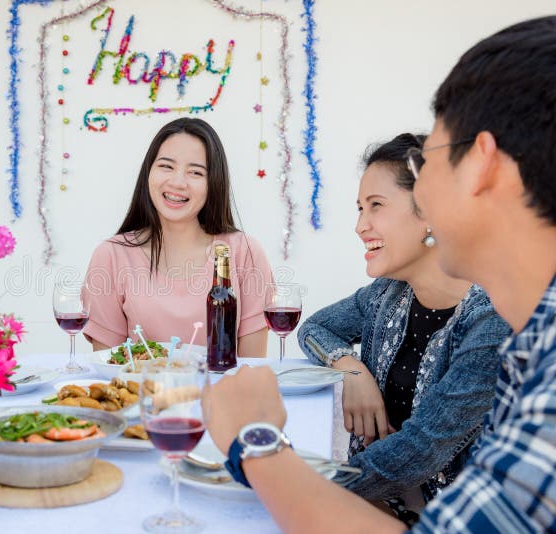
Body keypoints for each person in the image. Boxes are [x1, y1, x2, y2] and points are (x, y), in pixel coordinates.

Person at [202, 16, 556, 532]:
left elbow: (424, 462)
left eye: (427, 161)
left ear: (482, 164)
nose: (360, 225)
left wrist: (258, 445)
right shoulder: (530, 329)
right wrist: (349, 368)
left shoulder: (516, 336)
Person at [297, 133, 509, 517]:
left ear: (430, 210)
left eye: (375, 206)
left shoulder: (492, 320)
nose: (360, 225)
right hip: (381, 505)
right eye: (360, 208)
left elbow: (420, 452)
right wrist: (350, 368)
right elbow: (314, 328)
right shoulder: (387, 294)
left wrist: (292, 483)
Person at [83, 117, 272, 354]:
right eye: (166, 166)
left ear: (213, 183)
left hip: (224, 381)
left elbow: (252, 367)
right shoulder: (111, 255)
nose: (178, 182)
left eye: (195, 172)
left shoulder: (245, 252)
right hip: (141, 381)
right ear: (148, 172)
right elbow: (109, 365)